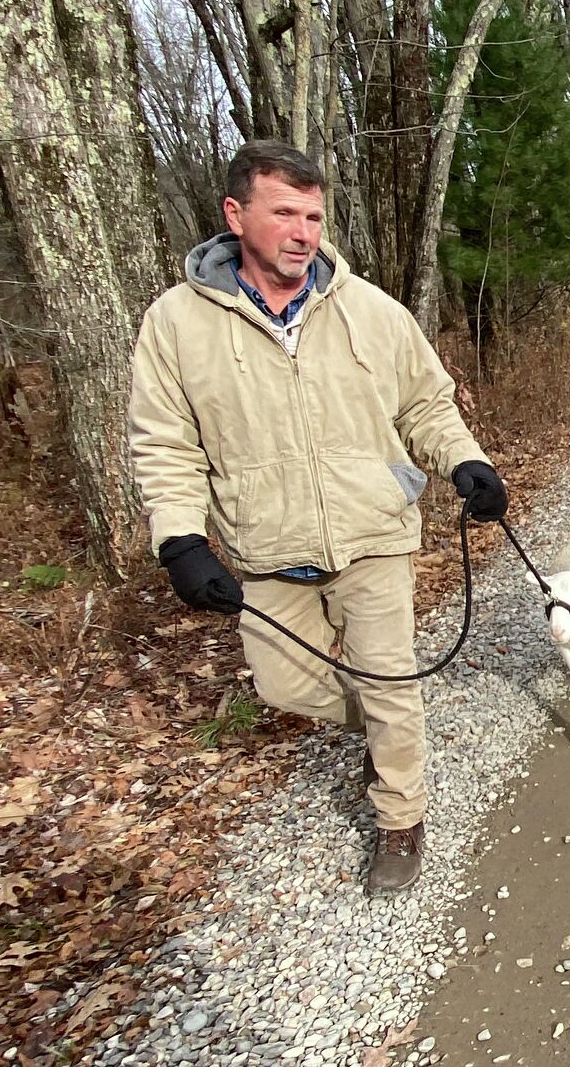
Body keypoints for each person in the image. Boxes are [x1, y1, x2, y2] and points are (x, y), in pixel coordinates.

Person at [128, 141, 509, 895]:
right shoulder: (176, 323)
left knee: (388, 679)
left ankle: (401, 818)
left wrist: (466, 463)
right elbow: (164, 440)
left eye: (313, 216)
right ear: (237, 215)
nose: (303, 232)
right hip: (265, 545)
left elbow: (424, 404)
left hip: (372, 532)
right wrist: (178, 538)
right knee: (286, 686)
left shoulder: (370, 310)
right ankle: (386, 729)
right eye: (284, 214)